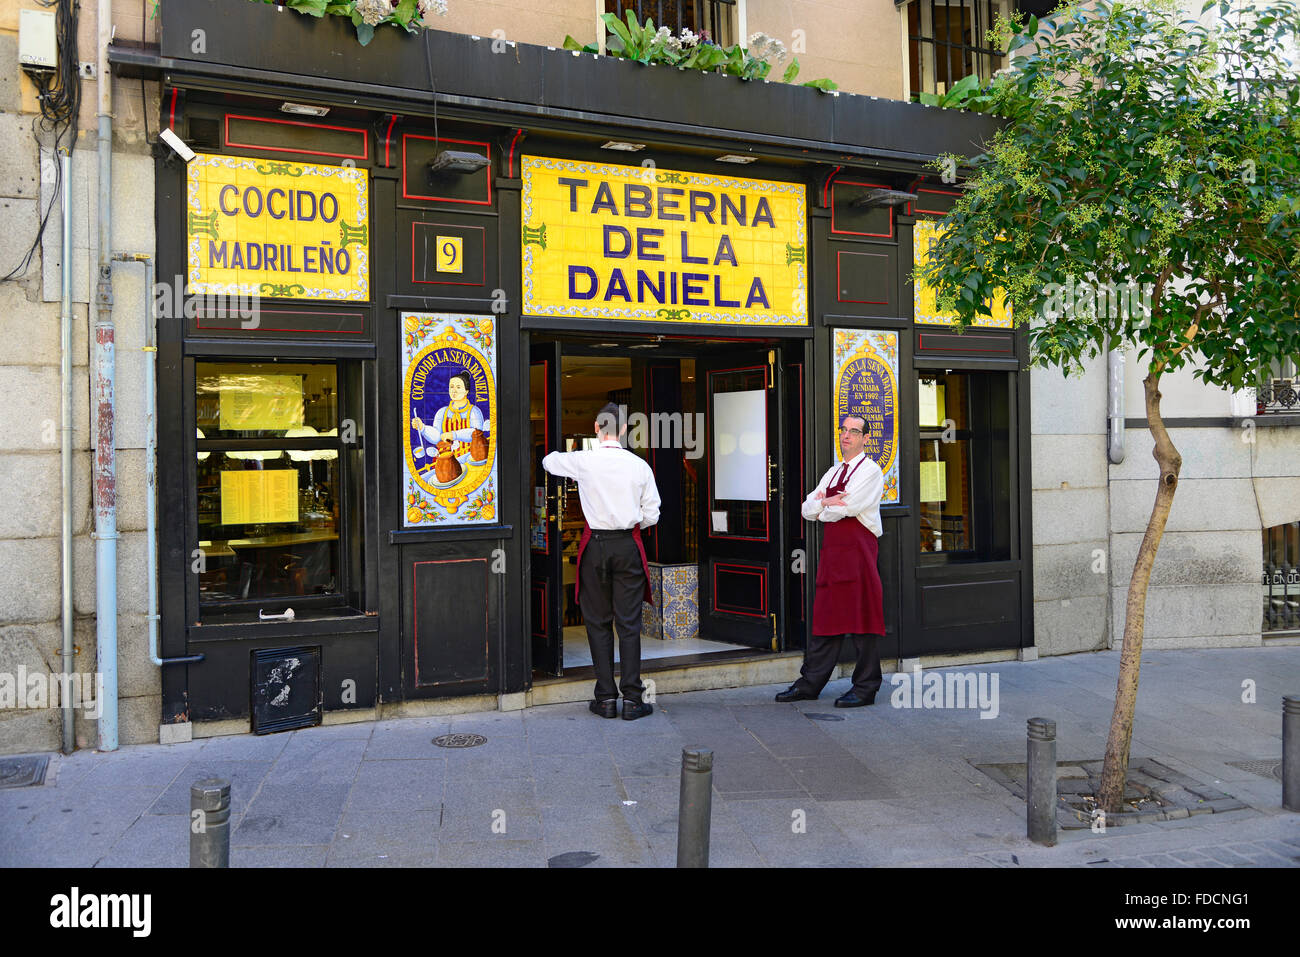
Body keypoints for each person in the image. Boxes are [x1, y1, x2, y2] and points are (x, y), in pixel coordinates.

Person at [542, 402, 662, 720]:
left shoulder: (584, 461)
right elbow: (652, 514)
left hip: (594, 545)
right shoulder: (640, 467)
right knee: (629, 625)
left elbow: (549, 461)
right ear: (623, 430)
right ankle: (634, 700)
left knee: (597, 623)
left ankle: (606, 698)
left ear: (597, 428)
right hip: (627, 545)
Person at [776, 412, 886, 708]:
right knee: (825, 620)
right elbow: (806, 508)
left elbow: (849, 508)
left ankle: (865, 688)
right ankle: (810, 683)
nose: (846, 435)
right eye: (843, 430)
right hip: (833, 555)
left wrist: (825, 507)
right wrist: (825, 502)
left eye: (854, 431)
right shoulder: (834, 472)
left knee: (863, 622)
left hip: (859, 552)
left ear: (865, 438)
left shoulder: (871, 471)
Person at [411, 371, 489, 465]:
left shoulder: (474, 411)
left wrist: (453, 435)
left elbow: (476, 434)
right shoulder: (442, 412)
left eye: (458, 387)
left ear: (466, 391)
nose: (454, 390)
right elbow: (437, 437)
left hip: (470, 459)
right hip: (446, 462)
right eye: (451, 387)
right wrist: (423, 428)